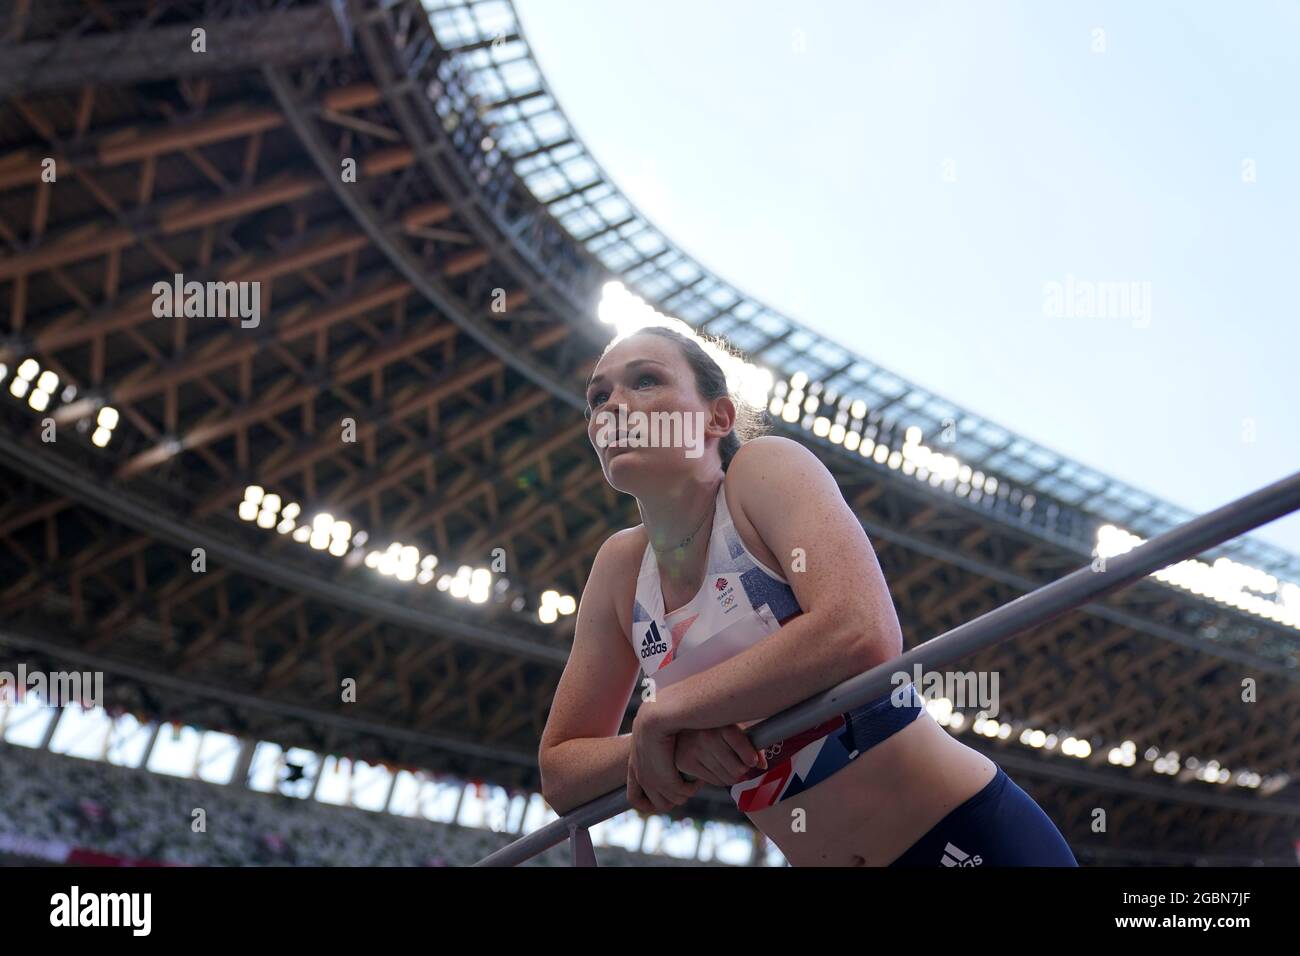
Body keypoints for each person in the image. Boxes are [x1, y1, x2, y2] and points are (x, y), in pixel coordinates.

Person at [538, 325, 1077, 866]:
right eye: (597, 397)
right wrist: (666, 742)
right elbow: (561, 770)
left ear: (717, 418)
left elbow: (861, 631)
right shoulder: (620, 569)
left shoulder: (762, 472)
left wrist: (668, 713)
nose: (613, 408)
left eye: (646, 381)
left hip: (967, 838)